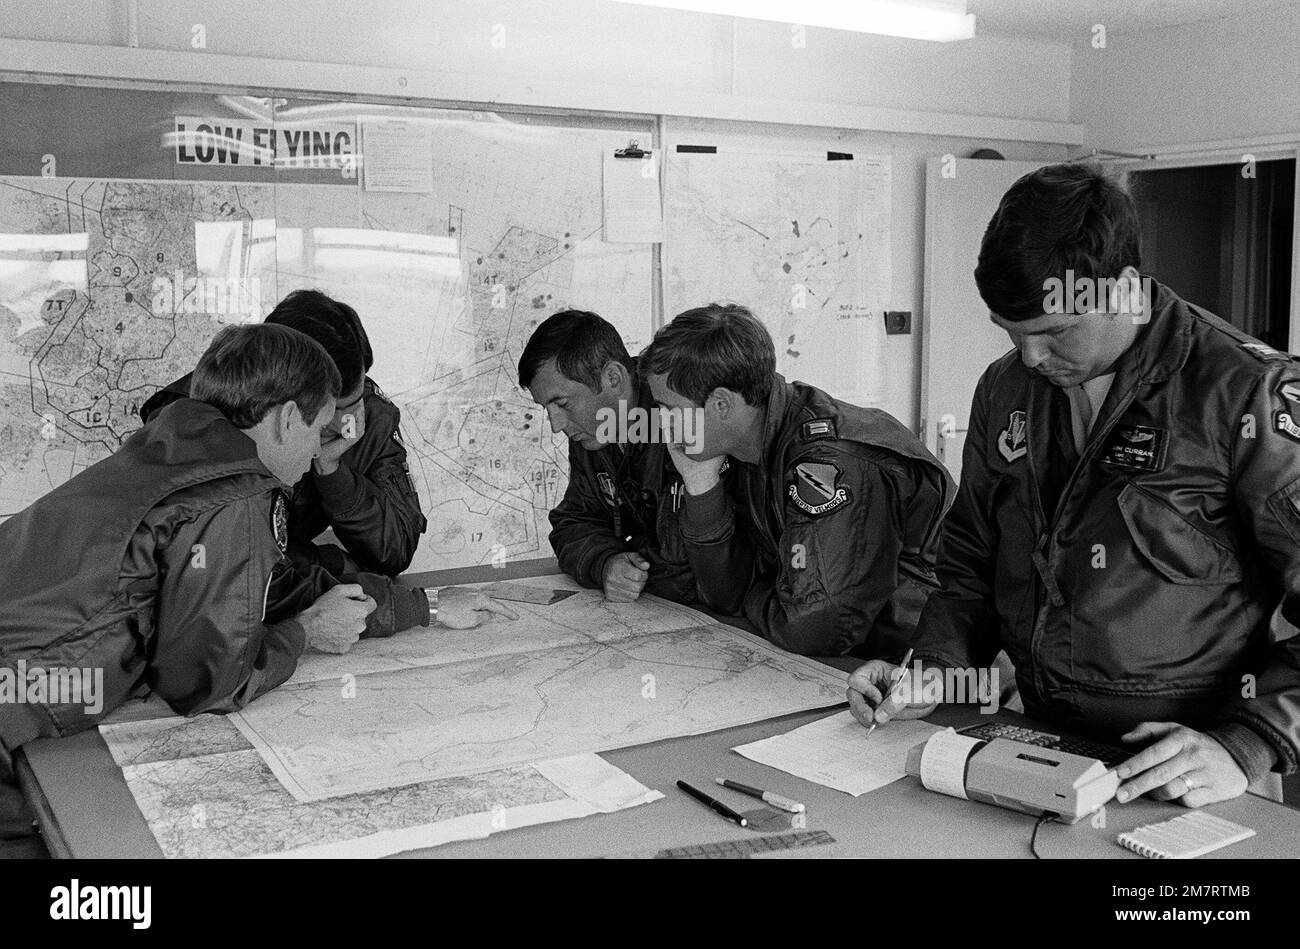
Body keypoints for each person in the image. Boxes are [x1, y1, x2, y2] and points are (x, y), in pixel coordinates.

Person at [848, 162, 1300, 807]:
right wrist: (935, 671)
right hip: (1041, 744)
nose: (1030, 358)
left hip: (1194, 765)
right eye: (1012, 333)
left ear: (1120, 289)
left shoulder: (1245, 393)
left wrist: (1249, 743)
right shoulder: (1007, 388)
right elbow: (971, 559)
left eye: (1053, 332)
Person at [0, 323, 514, 844]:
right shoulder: (237, 494)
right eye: (320, 430)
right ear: (289, 418)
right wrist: (304, 635)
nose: (319, 450)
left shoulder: (176, 444)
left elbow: (279, 583)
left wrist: (417, 607)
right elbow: (202, 683)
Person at [641, 303, 954, 657]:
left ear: (721, 405)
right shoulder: (739, 449)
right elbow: (719, 595)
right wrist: (701, 486)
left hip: (919, 667)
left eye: (669, 409)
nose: (662, 423)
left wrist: (756, 590)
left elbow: (815, 629)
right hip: (852, 663)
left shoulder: (828, 462)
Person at [141, 289, 427, 578]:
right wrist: (333, 564)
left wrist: (333, 474)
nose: (341, 426)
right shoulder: (198, 417)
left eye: (349, 407)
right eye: (323, 415)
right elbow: (235, 565)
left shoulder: (370, 411)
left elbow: (396, 548)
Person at [520, 309, 698, 604]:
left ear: (613, 378)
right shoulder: (598, 429)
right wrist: (604, 563)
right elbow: (574, 521)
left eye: (562, 403)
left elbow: (687, 561)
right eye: (547, 409)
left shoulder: (679, 414)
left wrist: (638, 563)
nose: (556, 425)